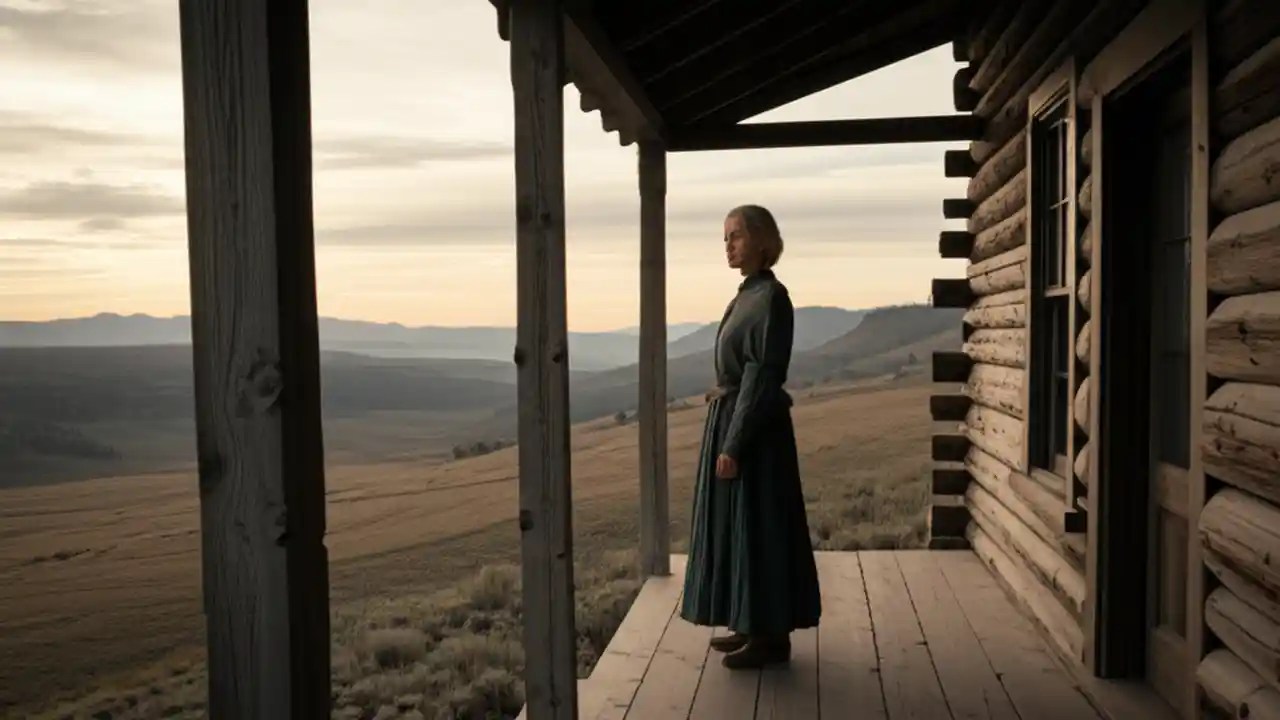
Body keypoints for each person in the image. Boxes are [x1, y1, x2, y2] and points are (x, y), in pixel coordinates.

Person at [679, 204, 822, 669]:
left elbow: (760, 376)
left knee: (760, 527)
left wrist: (734, 442)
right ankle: (748, 620)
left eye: (736, 236)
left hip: (756, 427)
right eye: (725, 237)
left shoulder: (771, 298)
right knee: (741, 527)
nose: (728, 245)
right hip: (736, 415)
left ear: (761, 241)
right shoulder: (748, 294)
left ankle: (771, 637)